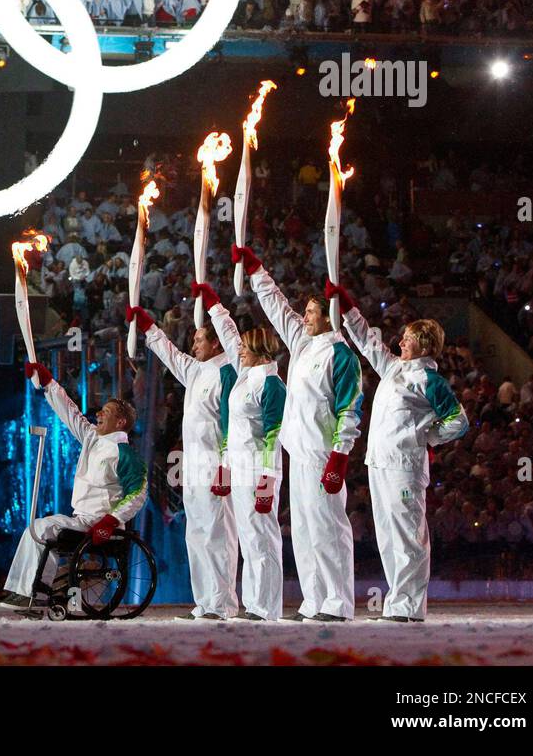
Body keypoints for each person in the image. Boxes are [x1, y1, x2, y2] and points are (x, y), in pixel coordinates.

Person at [235, 245, 363, 621]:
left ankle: (338, 603)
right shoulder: (304, 345)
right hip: (299, 454)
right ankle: (314, 601)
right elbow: (277, 308)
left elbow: (349, 409)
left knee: (328, 529)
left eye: (311, 312)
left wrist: (340, 455)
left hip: (324, 454)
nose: (304, 316)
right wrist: (256, 270)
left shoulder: (342, 355)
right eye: (305, 311)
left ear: (329, 317)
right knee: (305, 532)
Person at [332, 282, 468, 621]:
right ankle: (398, 603)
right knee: (389, 538)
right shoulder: (395, 368)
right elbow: (366, 340)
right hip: (380, 464)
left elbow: (459, 421)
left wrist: (427, 438)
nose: (400, 341)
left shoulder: (429, 380)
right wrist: (346, 304)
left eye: (407, 338)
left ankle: (409, 607)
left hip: (405, 466)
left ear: (423, 344)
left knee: (408, 536)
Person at [0, 362, 146, 610]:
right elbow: (70, 412)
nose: (99, 414)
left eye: (106, 412)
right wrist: (49, 383)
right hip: (82, 520)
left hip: (101, 524)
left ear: (120, 422)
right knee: (37, 528)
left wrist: (111, 521)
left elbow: (138, 494)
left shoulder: (125, 454)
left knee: (41, 528)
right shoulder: (92, 438)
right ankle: (26, 592)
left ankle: (33, 593)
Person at [132, 302, 239, 619]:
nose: (193, 345)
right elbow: (171, 355)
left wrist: (226, 466)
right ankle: (205, 601)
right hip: (193, 467)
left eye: (199, 340)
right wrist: (149, 328)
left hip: (215, 465)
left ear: (216, 342)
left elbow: (232, 423)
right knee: (196, 535)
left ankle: (223, 603)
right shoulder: (195, 370)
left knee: (216, 534)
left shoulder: (228, 372)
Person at [200, 282, 287, 621]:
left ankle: (265, 606)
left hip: (258, 470)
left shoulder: (270, 384)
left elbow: (272, 436)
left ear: (261, 351)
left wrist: (267, 480)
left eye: (245, 349)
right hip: (239, 468)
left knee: (262, 538)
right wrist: (214, 307)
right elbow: (233, 428)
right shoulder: (244, 379)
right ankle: (254, 603)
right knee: (250, 539)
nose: (239, 352)